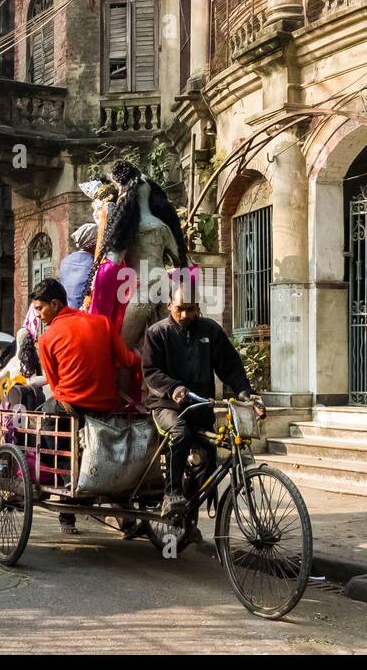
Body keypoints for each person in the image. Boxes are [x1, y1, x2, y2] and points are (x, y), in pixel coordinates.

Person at [142, 276, 263, 517]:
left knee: (207, 459)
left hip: (200, 406)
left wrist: (247, 395)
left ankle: (188, 516)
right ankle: (172, 492)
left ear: (198, 308)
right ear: (169, 306)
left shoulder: (210, 330)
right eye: (180, 309)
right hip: (166, 406)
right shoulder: (157, 333)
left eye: (191, 309)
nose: (186, 315)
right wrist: (174, 388)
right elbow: (151, 372)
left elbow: (230, 367)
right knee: (180, 433)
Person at [33, 278, 140, 533]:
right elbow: (127, 360)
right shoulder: (102, 322)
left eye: (40, 309)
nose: (38, 315)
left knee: (44, 420)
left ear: (56, 304)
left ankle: (66, 493)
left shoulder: (47, 339)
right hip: (107, 407)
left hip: (74, 407)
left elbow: (54, 383)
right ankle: (124, 512)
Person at [59, 222, 98, 309]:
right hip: (83, 314)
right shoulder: (94, 263)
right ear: (93, 245)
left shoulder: (66, 261)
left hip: (65, 311)